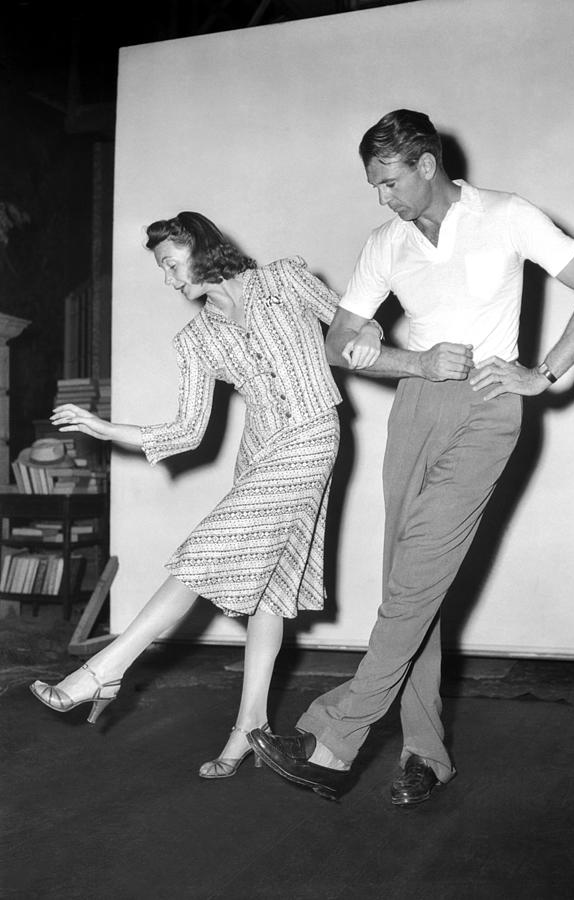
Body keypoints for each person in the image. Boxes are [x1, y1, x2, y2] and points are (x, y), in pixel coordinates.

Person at [249, 109, 574, 804]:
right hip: (416, 409)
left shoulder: (506, 214)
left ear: (427, 164)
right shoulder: (385, 243)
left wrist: (542, 373)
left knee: (415, 580)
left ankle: (336, 738)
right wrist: (413, 361)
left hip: (487, 410)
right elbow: (340, 342)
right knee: (408, 588)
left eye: (389, 182)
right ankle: (425, 754)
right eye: (374, 185)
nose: (382, 198)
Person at [29, 211, 381, 778]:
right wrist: (106, 428)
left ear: (200, 248)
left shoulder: (284, 279)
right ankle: (248, 729)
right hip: (258, 455)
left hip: (313, 434)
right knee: (269, 594)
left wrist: (369, 332)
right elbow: (187, 431)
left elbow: (346, 325)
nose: (170, 280)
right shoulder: (196, 339)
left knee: (204, 551)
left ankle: (106, 667)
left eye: (171, 264)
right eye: (163, 270)